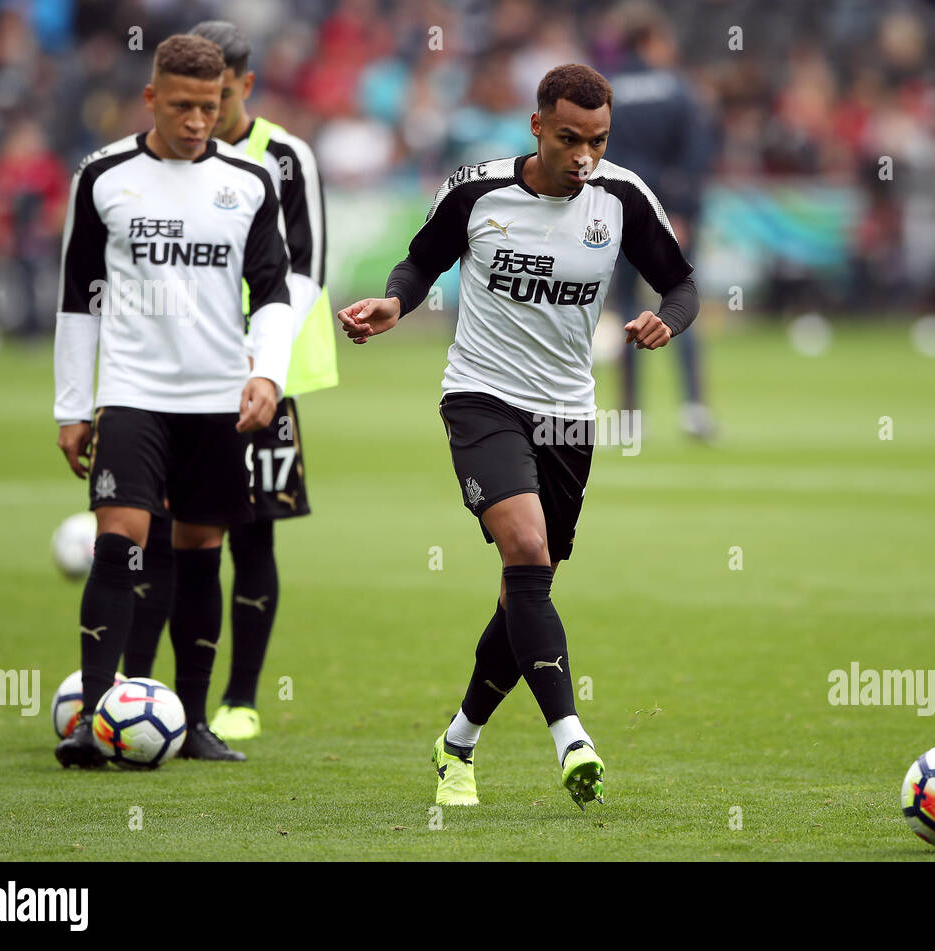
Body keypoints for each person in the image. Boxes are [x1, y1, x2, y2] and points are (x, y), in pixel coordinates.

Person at [337, 63, 698, 808]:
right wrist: (395, 304)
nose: (584, 156)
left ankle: (458, 741)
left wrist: (671, 317)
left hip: (567, 414)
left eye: (597, 140)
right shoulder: (476, 191)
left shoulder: (623, 198)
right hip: (482, 398)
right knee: (527, 550)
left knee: (524, 590)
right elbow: (422, 259)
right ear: (538, 127)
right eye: (569, 138)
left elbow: (683, 282)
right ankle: (571, 737)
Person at [52, 34, 295, 766]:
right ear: (152, 98)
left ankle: (189, 721)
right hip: (132, 391)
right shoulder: (103, 176)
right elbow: (77, 297)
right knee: (119, 541)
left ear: (226, 99)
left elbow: (275, 291)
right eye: (183, 105)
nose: (197, 120)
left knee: (200, 552)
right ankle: (98, 720)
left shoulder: (251, 182)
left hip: (219, 394)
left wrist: (269, 375)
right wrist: (72, 404)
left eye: (210, 104)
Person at [120, 19, 338, 744]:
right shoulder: (162, 159)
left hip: (266, 379)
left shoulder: (283, 157)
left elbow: (307, 268)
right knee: (157, 528)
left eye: (220, 96)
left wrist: (263, 355)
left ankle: (239, 696)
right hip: (178, 374)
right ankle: (137, 686)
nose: (206, 112)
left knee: (252, 536)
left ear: (241, 85)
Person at [606, 2, 716, 439]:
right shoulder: (678, 90)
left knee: (626, 311)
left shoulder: (605, 90)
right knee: (679, 305)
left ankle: (630, 416)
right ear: (650, 39)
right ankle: (693, 409)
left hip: (619, 216)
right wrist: (683, 211)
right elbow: (694, 156)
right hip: (668, 216)